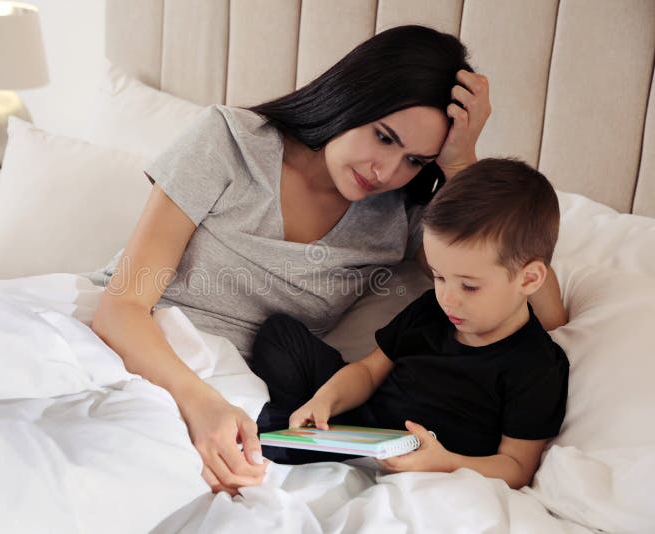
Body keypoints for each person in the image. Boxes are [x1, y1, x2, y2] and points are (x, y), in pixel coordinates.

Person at [91, 25, 563, 495]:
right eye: (383, 137)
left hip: (237, 389)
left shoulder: (401, 215)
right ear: (353, 96)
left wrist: (460, 163)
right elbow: (122, 307)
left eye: (416, 161)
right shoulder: (229, 141)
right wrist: (199, 402)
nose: (387, 172)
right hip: (129, 346)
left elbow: (545, 316)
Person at [250, 159, 570, 489]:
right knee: (280, 335)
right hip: (362, 425)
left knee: (261, 435)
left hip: (425, 454)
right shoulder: (432, 310)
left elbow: (516, 466)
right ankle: (300, 425)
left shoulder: (537, 365)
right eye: (439, 277)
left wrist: (446, 463)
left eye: (469, 286)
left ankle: (287, 438)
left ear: (529, 279)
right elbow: (369, 371)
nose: (448, 298)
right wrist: (325, 400)